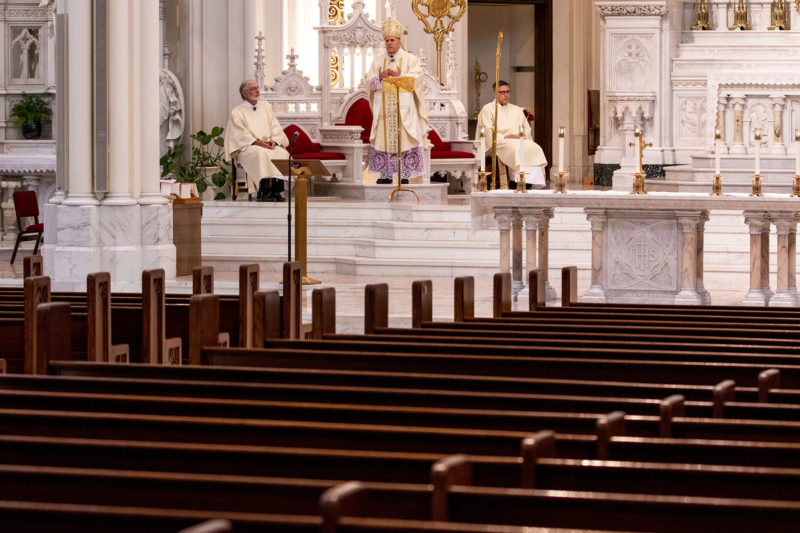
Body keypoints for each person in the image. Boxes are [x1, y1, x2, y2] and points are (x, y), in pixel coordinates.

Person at [365, 16, 430, 185]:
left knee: (404, 138)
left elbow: (417, 79)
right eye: (386, 40)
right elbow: (369, 82)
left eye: (392, 40)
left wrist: (399, 76)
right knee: (384, 138)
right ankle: (385, 174)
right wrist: (379, 77)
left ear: (399, 41)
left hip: (404, 110)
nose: (389, 43)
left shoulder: (410, 59)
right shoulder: (378, 61)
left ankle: (404, 174)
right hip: (385, 110)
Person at [224, 80, 289, 201]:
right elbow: (239, 134)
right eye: (253, 88)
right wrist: (257, 142)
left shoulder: (265, 108)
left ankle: (276, 191)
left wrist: (274, 141)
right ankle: (264, 191)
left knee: (282, 153)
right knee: (260, 153)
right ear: (244, 93)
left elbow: (275, 127)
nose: (257, 91)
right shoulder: (237, 111)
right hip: (249, 146)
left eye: (257, 88)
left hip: (267, 143)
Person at [476, 81, 547, 189]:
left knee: (535, 147)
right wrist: (504, 137)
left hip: (517, 140)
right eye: (502, 92)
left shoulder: (516, 110)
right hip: (498, 142)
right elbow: (487, 132)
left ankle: (530, 181)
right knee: (515, 148)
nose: (506, 95)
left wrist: (520, 136)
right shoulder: (488, 109)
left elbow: (526, 129)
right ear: (495, 93)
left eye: (508, 92)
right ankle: (516, 181)